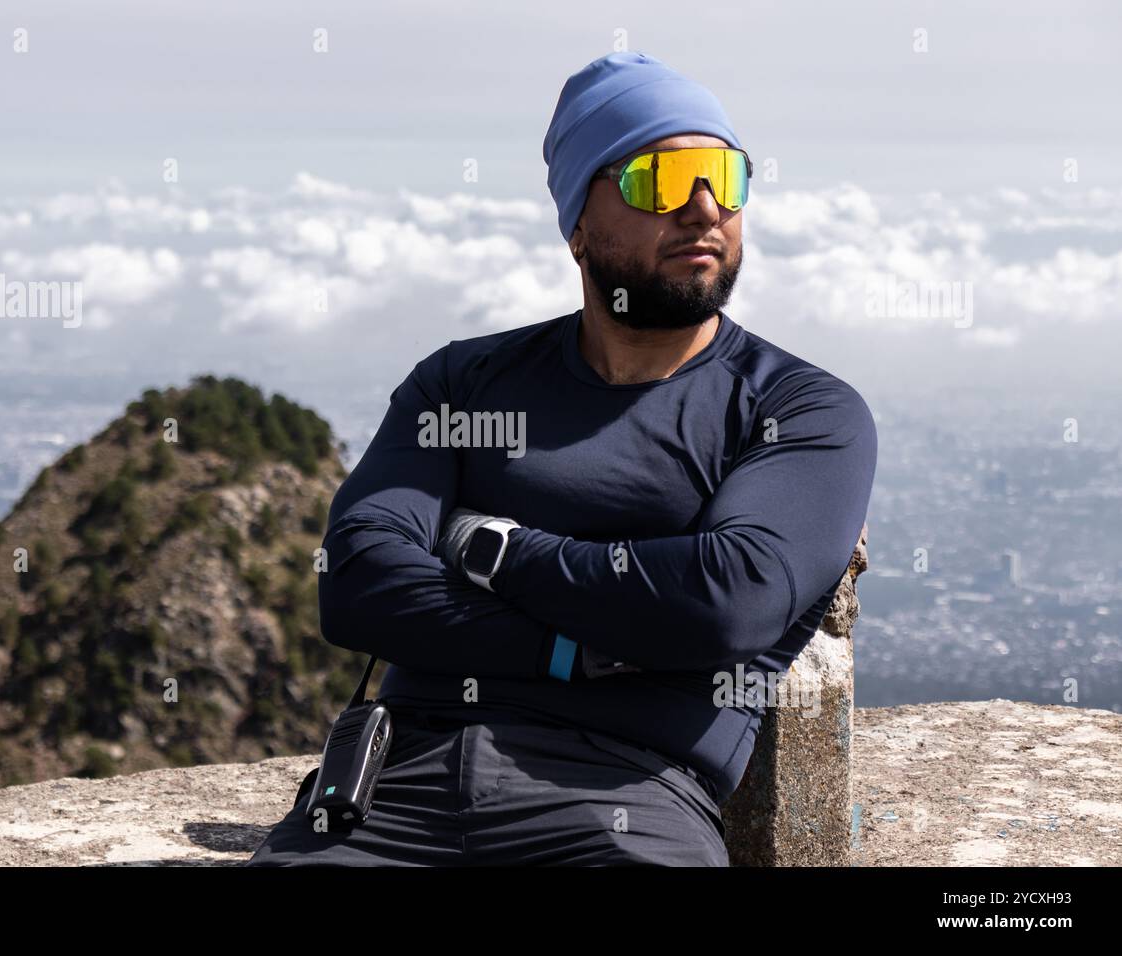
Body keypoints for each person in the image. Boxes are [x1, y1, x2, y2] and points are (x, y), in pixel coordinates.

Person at [247, 50, 877, 866]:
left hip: (625, 805)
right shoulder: (465, 383)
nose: (703, 207)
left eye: (726, 175)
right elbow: (358, 579)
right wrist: (579, 648)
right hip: (391, 797)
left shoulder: (795, 409)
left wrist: (490, 548)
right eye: (662, 179)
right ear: (580, 223)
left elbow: (727, 599)